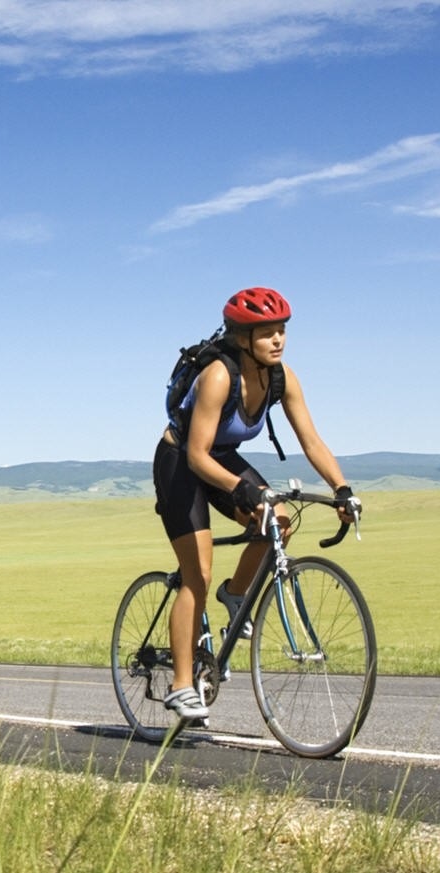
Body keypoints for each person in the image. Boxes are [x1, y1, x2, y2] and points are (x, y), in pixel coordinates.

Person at [151, 286, 358, 721]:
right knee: (197, 575)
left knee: (278, 521)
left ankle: (235, 595)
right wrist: (243, 490)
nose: (278, 339)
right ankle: (181, 685)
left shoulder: (281, 377)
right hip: (181, 462)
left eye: (282, 330)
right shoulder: (219, 377)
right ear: (242, 338)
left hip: (220, 458)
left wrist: (341, 489)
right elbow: (196, 456)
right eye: (267, 333)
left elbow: (311, 441)